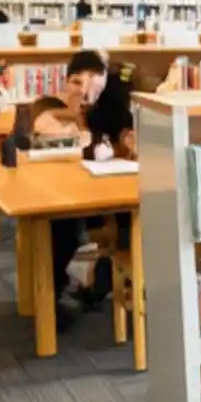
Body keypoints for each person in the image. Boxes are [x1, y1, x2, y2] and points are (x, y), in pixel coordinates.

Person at [49, 50, 136, 330]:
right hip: (73, 183)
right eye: (76, 82)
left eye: (92, 84)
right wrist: (75, 113)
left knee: (130, 225)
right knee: (60, 224)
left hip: (114, 181)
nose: (85, 92)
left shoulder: (115, 97)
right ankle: (53, 295)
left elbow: (125, 132)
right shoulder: (54, 104)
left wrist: (129, 141)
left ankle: (103, 282)